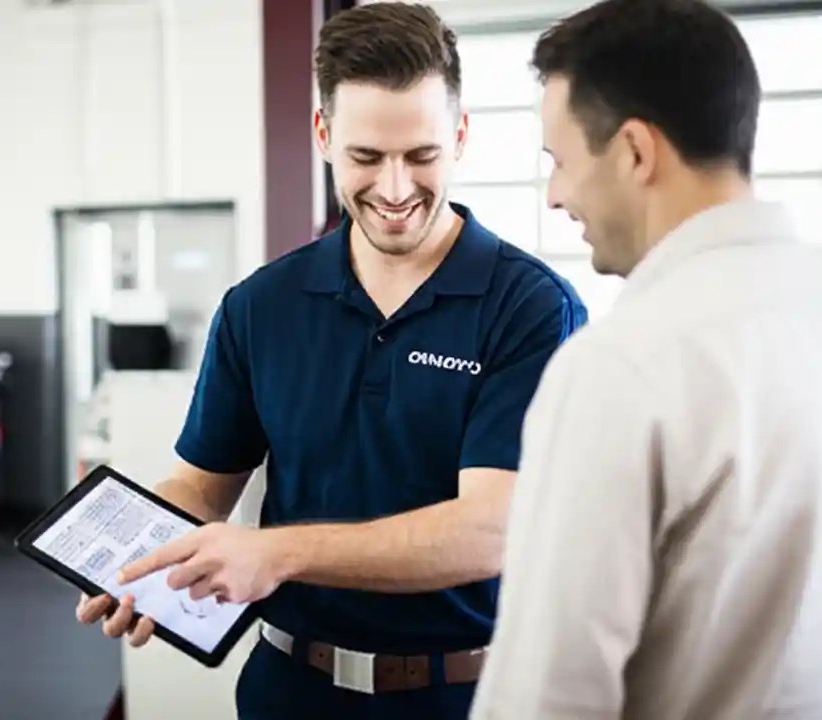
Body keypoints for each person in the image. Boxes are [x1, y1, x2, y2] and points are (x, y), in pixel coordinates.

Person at [75, 3, 587, 718]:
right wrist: (142, 561)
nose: (397, 188)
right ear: (323, 135)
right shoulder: (261, 304)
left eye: (422, 155)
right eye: (367, 157)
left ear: (461, 136)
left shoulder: (530, 308)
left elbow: (489, 531)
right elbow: (200, 486)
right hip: (287, 690)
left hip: (462, 697)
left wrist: (277, 554)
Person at [469, 1, 822, 718]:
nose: (557, 194)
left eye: (561, 160)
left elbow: (545, 699)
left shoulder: (622, 367)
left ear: (635, 152)